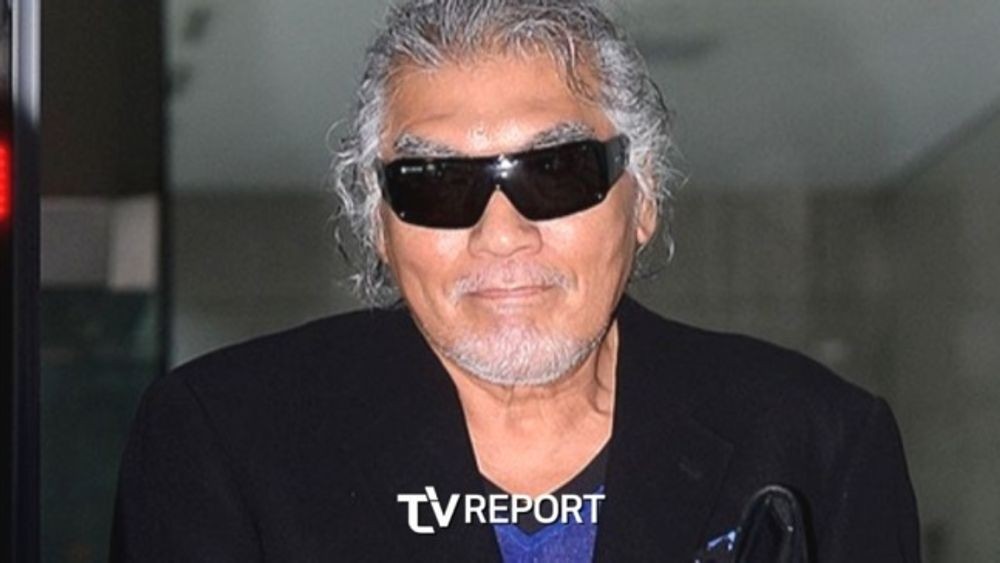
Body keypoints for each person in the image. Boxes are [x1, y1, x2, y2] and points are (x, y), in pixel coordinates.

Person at [111, 1, 920, 561]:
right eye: (437, 184)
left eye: (557, 171)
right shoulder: (220, 440)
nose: (501, 234)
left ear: (643, 197)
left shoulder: (819, 442)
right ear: (378, 224)